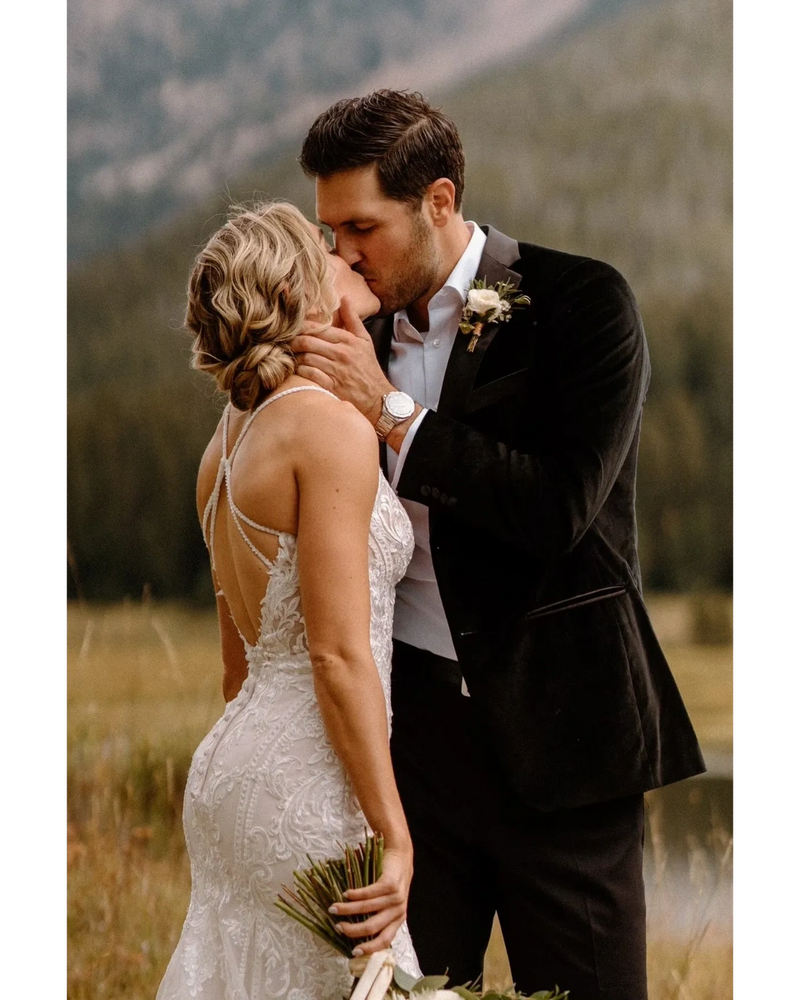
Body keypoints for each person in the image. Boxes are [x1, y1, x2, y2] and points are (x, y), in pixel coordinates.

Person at [292, 89, 707, 999]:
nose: (342, 255)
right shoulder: (348, 333)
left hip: (567, 746)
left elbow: (559, 508)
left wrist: (392, 412)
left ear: (439, 200)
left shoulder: (581, 302)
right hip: (414, 764)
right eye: (330, 233)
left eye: (361, 226)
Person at [155, 200, 423, 999]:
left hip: (231, 778)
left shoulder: (224, 448)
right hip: (311, 787)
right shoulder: (329, 430)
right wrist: (395, 834)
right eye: (325, 248)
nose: (346, 253)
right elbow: (336, 654)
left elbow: (239, 671)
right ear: (305, 292)